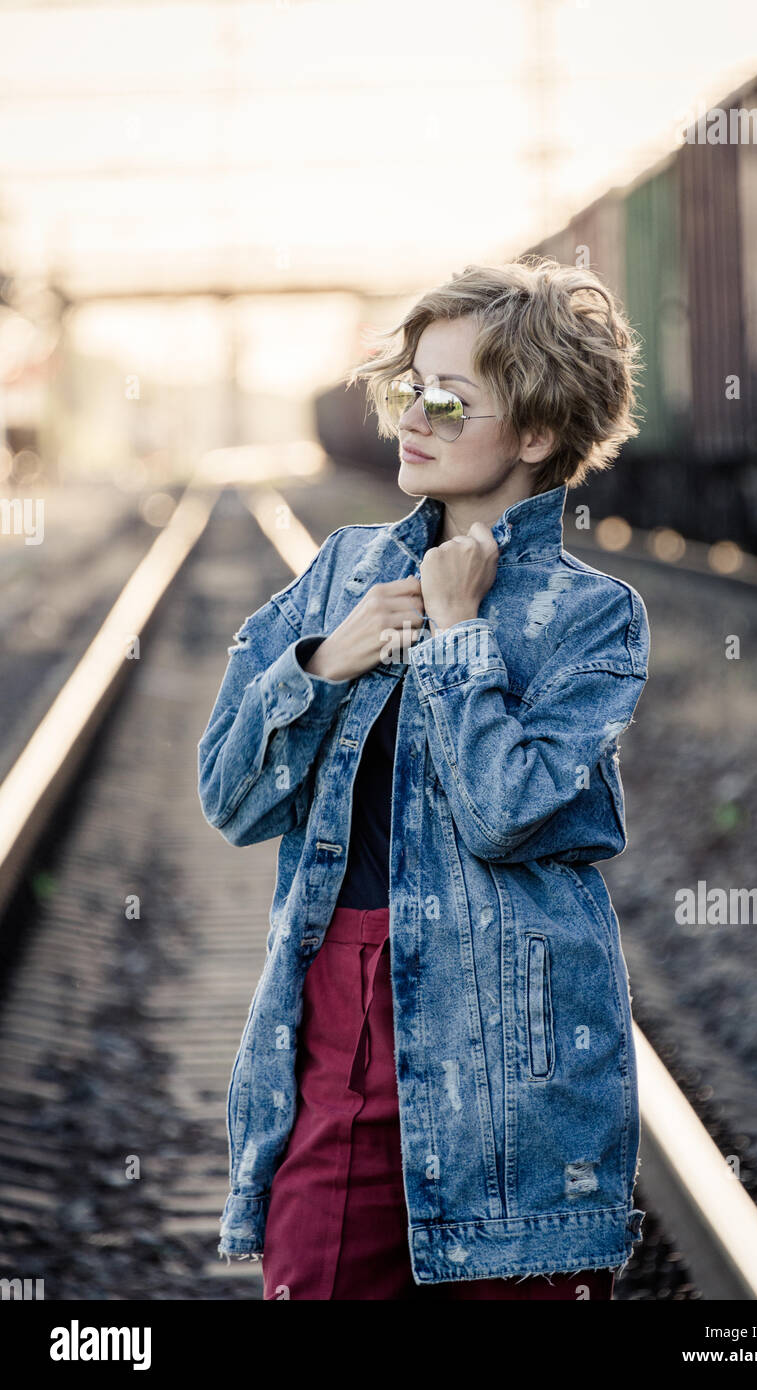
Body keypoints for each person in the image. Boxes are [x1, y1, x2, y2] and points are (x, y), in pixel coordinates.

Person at [197, 256, 650, 1300]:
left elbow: (504, 814)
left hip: (515, 1067)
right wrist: (320, 661)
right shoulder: (344, 573)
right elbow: (231, 796)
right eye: (411, 389)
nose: (416, 416)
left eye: (451, 399)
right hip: (340, 1030)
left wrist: (455, 637)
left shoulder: (592, 618)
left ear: (535, 435)